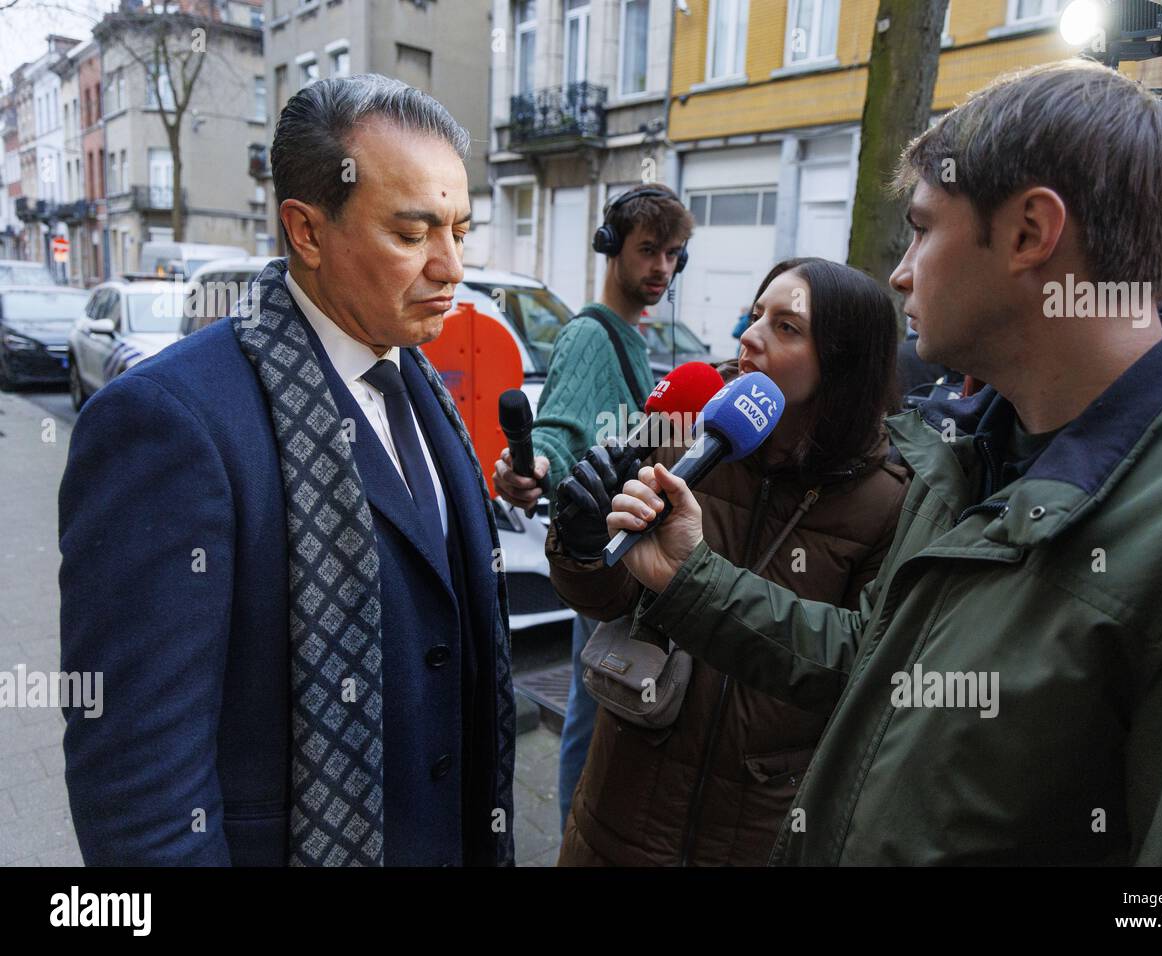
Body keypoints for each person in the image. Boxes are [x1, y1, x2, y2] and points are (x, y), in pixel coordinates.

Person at [607, 60, 1162, 865]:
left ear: (1030, 233)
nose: (900, 270)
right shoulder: (969, 456)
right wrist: (688, 576)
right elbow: (869, 664)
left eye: (924, 226)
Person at [59, 75, 515, 866]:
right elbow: (141, 802)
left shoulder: (418, 388)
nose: (450, 267)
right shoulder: (167, 425)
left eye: (461, 231)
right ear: (306, 231)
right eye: (412, 235)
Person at [546, 258, 906, 866]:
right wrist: (583, 547)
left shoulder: (889, 499)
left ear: (845, 362)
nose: (750, 335)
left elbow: (859, 668)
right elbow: (611, 601)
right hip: (619, 811)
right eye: (756, 313)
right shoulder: (687, 429)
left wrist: (695, 580)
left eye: (786, 327)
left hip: (760, 830)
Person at [491, 185, 694, 827]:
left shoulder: (632, 338)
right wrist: (534, 465)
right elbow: (556, 425)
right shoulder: (588, 334)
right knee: (592, 712)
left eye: (673, 254)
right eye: (647, 250)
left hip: (627, 558)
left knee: (600, 705)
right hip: (606, 563)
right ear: (611, 249)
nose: (661, 267)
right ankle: (578, 834)